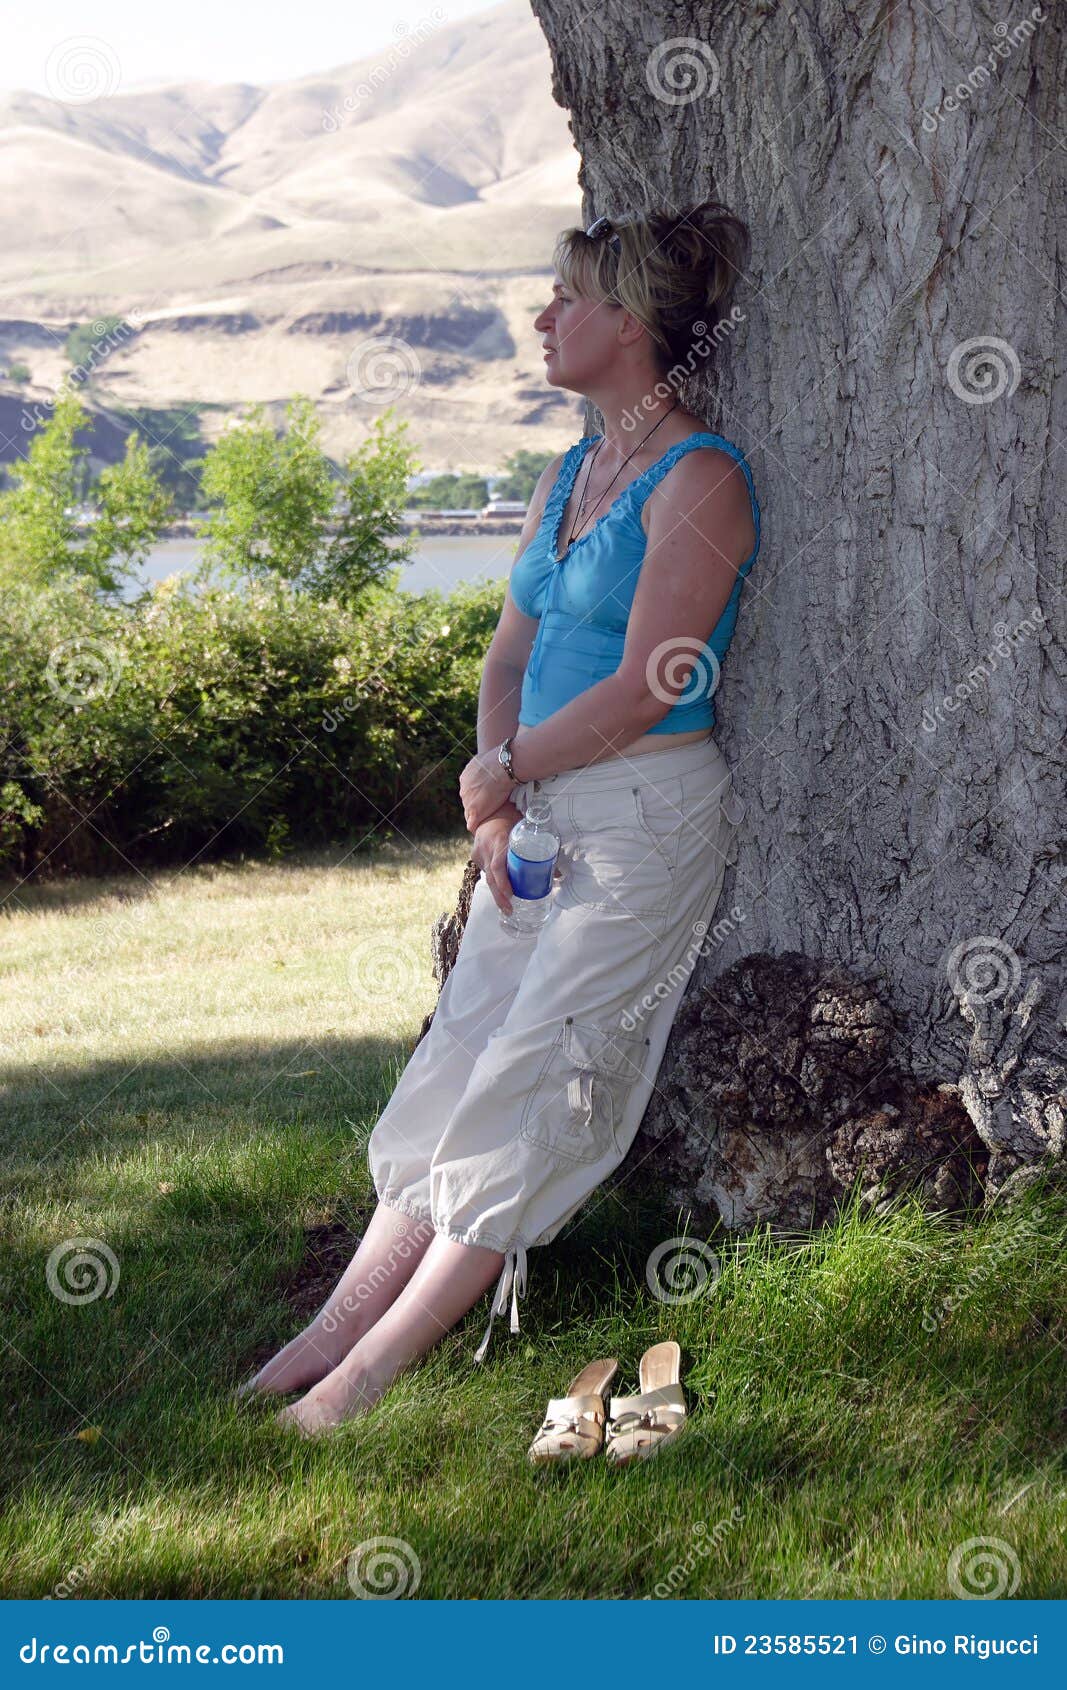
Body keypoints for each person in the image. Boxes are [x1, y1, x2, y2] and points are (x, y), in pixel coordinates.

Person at [240, 200, 762, 1435]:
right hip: (530, 811)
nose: (541, 317)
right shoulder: (570, 470)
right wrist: (493, 791)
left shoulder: (702, 480)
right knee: (458, 1057)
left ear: (628, 326)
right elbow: (507, 651)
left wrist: (509, 767)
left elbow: (653, 681)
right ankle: (328, 1331)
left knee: (538, 1078)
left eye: (566, 299)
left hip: (640, 819)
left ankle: (360, 1387)